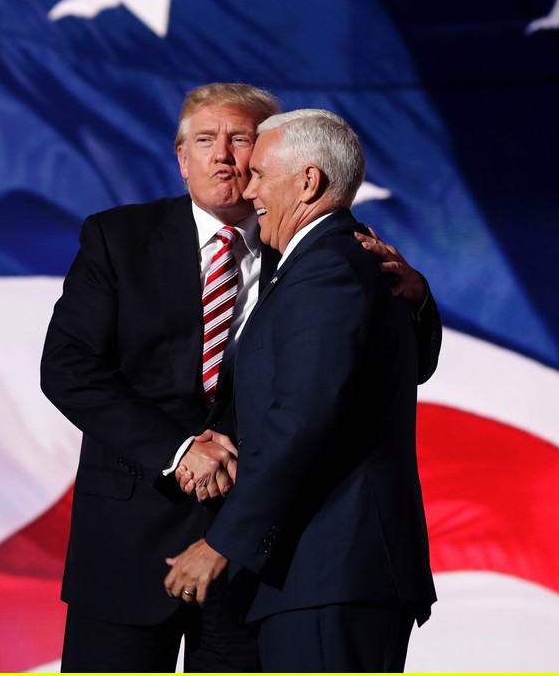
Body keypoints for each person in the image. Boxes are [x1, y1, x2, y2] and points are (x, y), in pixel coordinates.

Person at [40, 85, 439, 672]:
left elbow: (395, 368)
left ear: (271, 162)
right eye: (205, 140)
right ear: (181, 158)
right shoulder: (117, 237)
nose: (225, 158)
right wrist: (176, 450)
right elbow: (68, 368)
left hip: (260, 554)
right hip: (130, 539)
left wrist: (418, 298)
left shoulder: (316, 249)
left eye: (241, 141)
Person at [162, 108, 437, 672]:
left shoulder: (328, 268)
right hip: (327, 576)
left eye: (260, 172)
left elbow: (304, 419)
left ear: (308, 181)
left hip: (331, 570)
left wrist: (223, 544)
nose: (248, 185)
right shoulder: (340, 261)